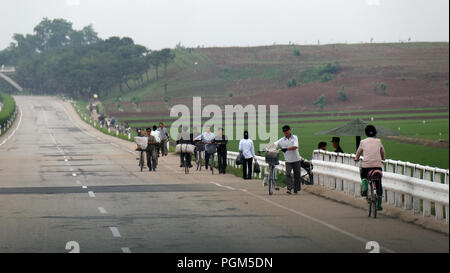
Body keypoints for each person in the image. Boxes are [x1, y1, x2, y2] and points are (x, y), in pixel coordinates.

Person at [355, 125, 386, 211]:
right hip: (377, 166)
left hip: (367, 166)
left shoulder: (363, 142)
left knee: (363, 173)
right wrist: (383, 158)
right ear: (375, 132)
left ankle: (364, 183)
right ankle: (379, 204)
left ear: (366, 133)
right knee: (378, 183)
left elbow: (358, 153)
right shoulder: (378, 141)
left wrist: (356, 158)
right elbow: (383, 152)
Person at [271, 125, 302, 195]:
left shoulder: (295, 137)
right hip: (288, 160)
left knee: (297, 175)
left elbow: (295, 146)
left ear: (290, 130)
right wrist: (268, 148)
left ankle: (296, 189)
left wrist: (287, 149)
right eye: (284, 131)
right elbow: (275, 144)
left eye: (287, 131)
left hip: (296, 159)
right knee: (288, 174)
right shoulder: (282, 140)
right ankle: (289, 188)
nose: (286, 132)